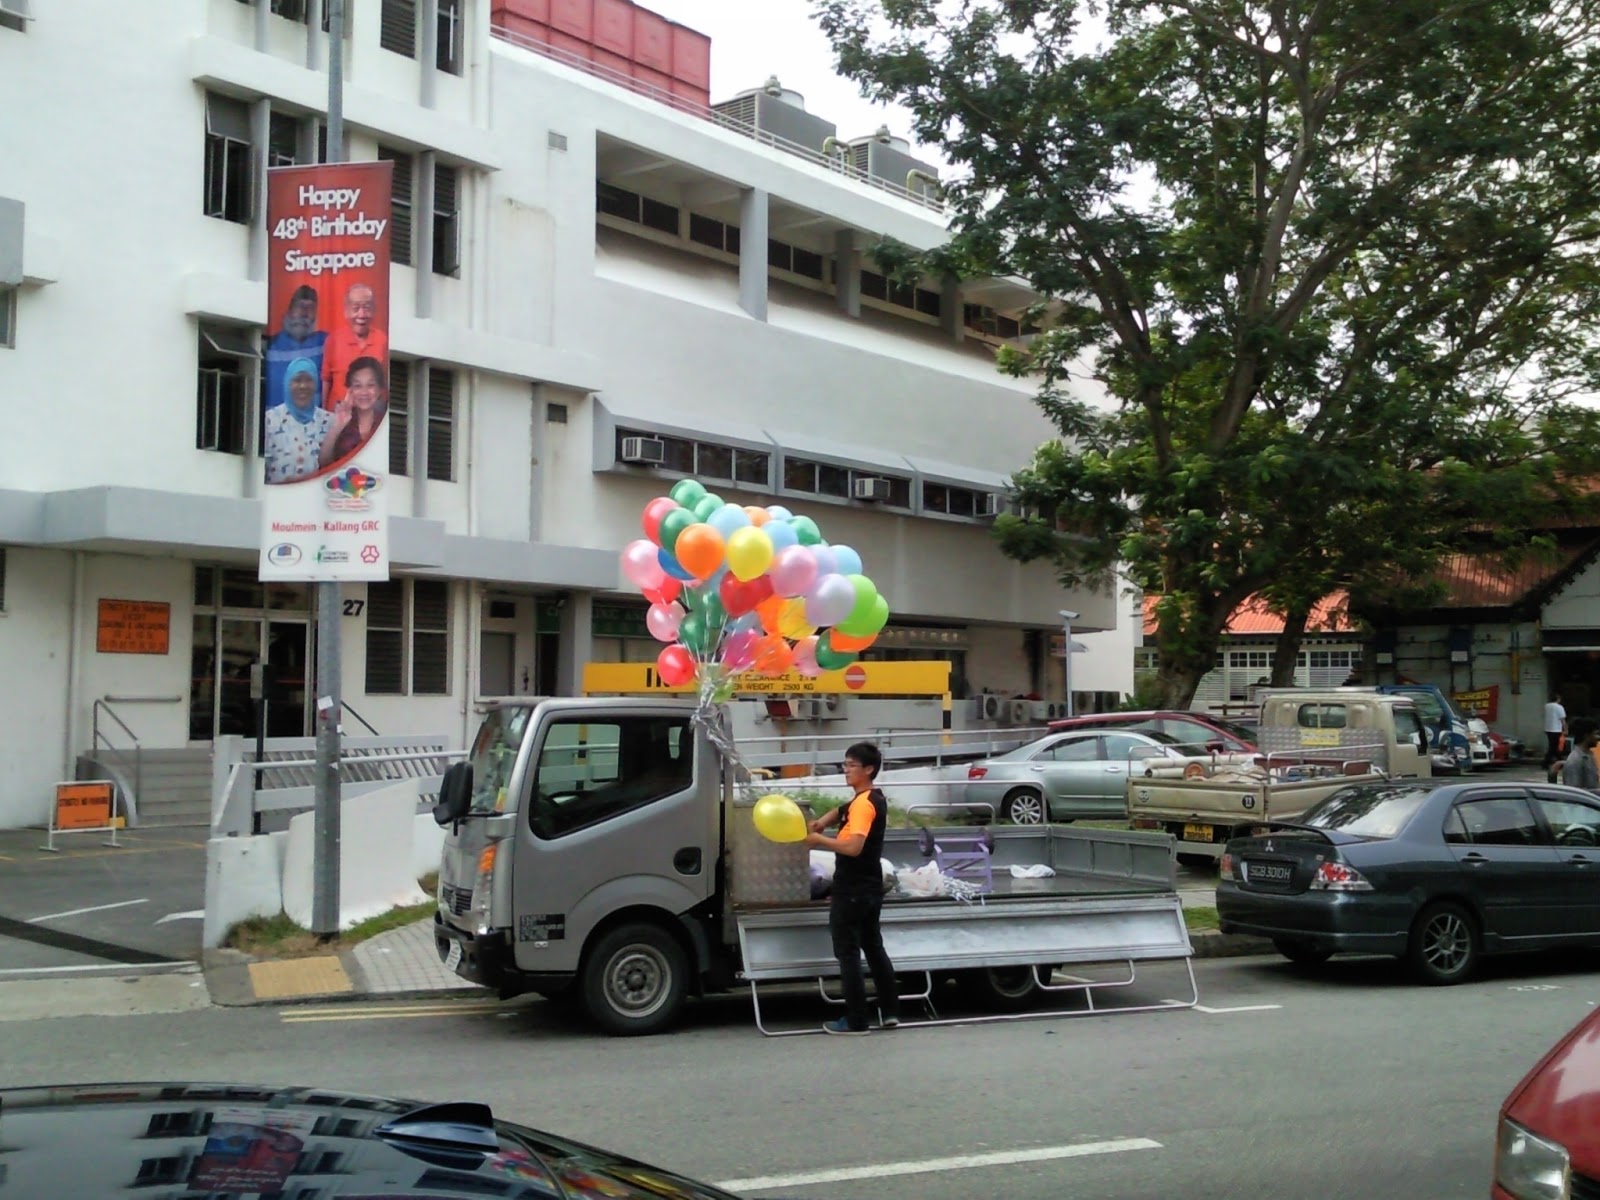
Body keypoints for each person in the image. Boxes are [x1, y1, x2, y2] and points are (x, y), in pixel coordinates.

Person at [804, 742, 900, 1035]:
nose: (845, 770)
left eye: (851, 765)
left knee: (848, 954)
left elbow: (853, 847)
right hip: (870, 888)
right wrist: (822, 822)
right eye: (844, 765)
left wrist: (819, 841)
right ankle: (890, 1011)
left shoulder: (863, 805)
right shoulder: (871, 798)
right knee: (874, 949)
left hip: (853, 889)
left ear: (868, 769)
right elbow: (841, 809)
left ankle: (857, 1020)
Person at [263, 358, 334, 483]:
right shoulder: (270, 421)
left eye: (309, 380)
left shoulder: (329, 422)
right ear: (287, 383)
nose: (303, 386)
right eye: (297, 380)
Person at [321, 282, 389, 409]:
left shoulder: (382, 340)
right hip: (338, 414)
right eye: (356, 308)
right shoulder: (334, 340)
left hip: (372, 416)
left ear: (374, 310)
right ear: (346, 311)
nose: (361, 315)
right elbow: (326, 380)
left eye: (367, 308)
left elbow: (386, 382)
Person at [263, 285, 327, 411]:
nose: (304, 313)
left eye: (311, 308)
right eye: (300, 306)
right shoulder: (268, 346)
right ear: (289, 311)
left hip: (313, 426)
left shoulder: (325, 343)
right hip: (274, 427)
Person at [320, 356, 388, 467]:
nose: (364, 392)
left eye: (370, 385)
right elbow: (324, 463)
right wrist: (338, 425)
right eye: (358, 386)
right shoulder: (341, 417)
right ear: (350, 390)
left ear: (380, 389)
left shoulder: (384, 421)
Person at [1560, 721, 1600, 792]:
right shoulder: (1575, 760)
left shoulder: (1589, 756)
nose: (1598, 737)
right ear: (1586, 736)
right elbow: (1574, 792)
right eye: (1596, 734)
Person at [1543, 692, 1568, 775]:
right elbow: (1562, 720)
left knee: (1553, 746)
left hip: (1548, 728)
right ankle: (1546, 763)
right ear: (1558, 699)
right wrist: (1565, 729)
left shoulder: (1547, 706)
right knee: (1554, 747)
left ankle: (1557, 762)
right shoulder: (1559, 707)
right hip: (1556, 729)